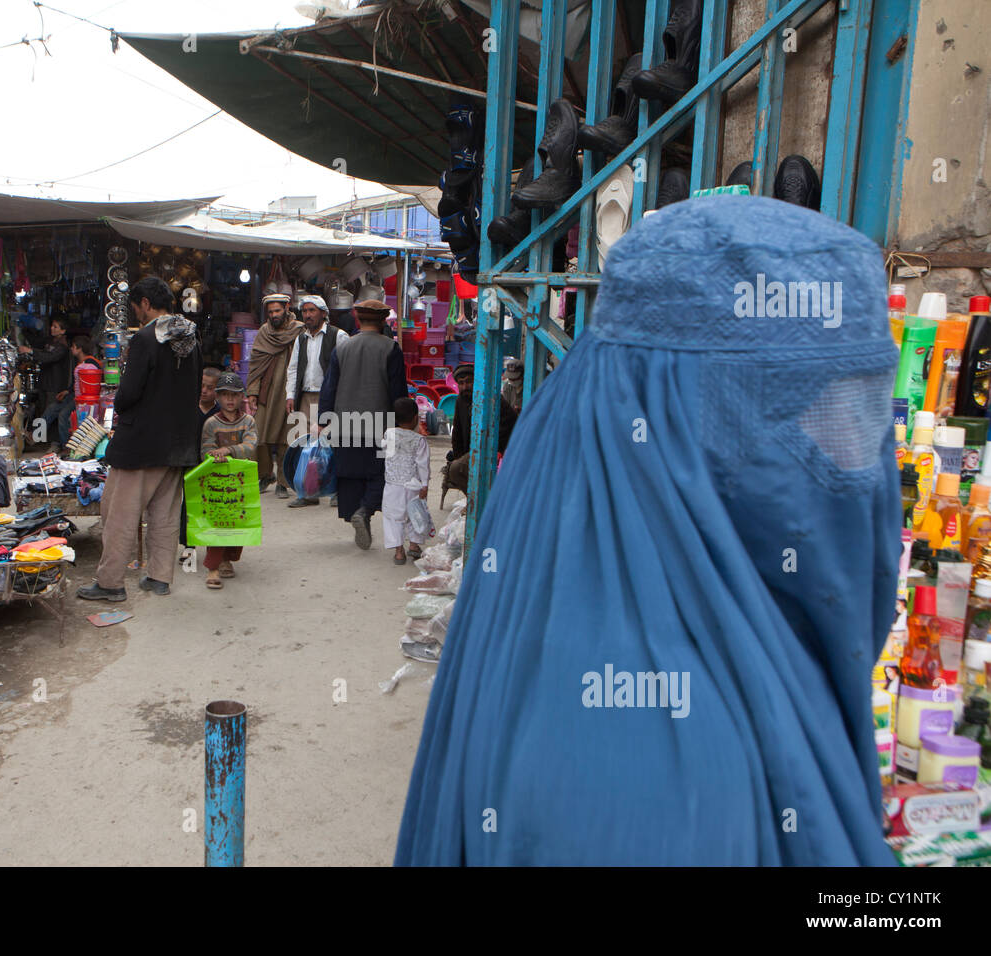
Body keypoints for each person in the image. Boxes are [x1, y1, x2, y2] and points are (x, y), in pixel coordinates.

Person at [396, 196, 899, 865]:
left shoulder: (583, 532)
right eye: (816, 413)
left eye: (865, 412)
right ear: (686, 420)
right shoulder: (651, 775)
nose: (857, 453)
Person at [79, 276, 201, 602]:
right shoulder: (191, 337)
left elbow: (127, 394)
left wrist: (120, 404)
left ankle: (110, 583)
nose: (138, 316)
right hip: (179, 443)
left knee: (119, 514)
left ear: (145, 304)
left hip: (142, 442)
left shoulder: (146, 339)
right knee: (164, 515)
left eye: (137, 309)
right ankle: (160, 578)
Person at [318, 298, 408, 550]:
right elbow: (398, 391)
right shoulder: (390, 348)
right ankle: (366, 510)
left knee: (350, 475)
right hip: (380, 425)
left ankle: (358, 515)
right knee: (382, 473)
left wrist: (323, 420)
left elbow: (329, 387)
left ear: (358, 320)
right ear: (382, 321)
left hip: (344, 425)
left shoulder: (342, 348)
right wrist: (404, 423)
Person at [285, 295, 349, 508]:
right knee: (305, 447)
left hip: (330, 399)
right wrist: (290, 395)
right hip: (305, 396)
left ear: (323, 313)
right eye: (305, 311)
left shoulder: (338, 336)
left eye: (312, 310)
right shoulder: (300, 338)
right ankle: (308, 492)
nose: (308, 315)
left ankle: (337, 491)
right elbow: (293, 368)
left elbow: (348, 369)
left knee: (333, 446)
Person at [199, 372, 258, 590]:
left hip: (241, 482)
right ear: (217, 397)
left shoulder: (249, 422)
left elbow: (250, 446)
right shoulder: (211, 424)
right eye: (224, 395)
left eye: (233, 395)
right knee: (217, 523)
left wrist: (228, 450)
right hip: (217, 482)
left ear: (241, 396)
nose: (229, 400)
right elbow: (205, 450)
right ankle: (213, 568)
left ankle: (227, 559)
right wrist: (215, 455)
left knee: (238, 525)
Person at [245, 293, 303, 499]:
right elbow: (255, 364)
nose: (274, 315)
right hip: (267, 391)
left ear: (287, 307)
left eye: (277, 310)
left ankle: (283, 482)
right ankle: (265, 475)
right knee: (259, 436)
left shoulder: (298, 330)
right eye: (270, 312)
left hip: (289, 392)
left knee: (286, 439)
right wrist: (252, 392)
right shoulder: (264, 332)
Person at [441, 363, 517, 508]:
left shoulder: (492, 399)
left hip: (494, 450)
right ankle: (476, 502)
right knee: (456, 469)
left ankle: (482, 503)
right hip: (472, 452)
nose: (465, 387)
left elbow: (509, 424)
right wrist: (458, 456)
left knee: (457, 469)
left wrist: (494, 448)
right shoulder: (460, 401)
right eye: (461, 383)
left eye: (469, 382)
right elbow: (457, 432)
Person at [382, 397, 430, 565]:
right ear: (416, 418)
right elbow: (423, 465)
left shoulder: (388, 434)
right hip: (413, 485)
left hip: (392, 484)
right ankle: (414, 546)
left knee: (393, 517)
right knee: (415, 514)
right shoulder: (419, 441)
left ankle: (399, 552)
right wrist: (425, 485)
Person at [19, 316, 72, 452]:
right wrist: (24, 329)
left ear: (63, 331)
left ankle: (54, 443)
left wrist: (30, 351)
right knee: (45, 411)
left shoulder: (63, 346)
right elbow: (37, 343)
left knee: (52, 413)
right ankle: (40, 440)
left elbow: (49, 357)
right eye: (52, 326)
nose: (52, 329)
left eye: (56, 327)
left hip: (55, 385)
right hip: (45, 382)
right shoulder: (50, 341)